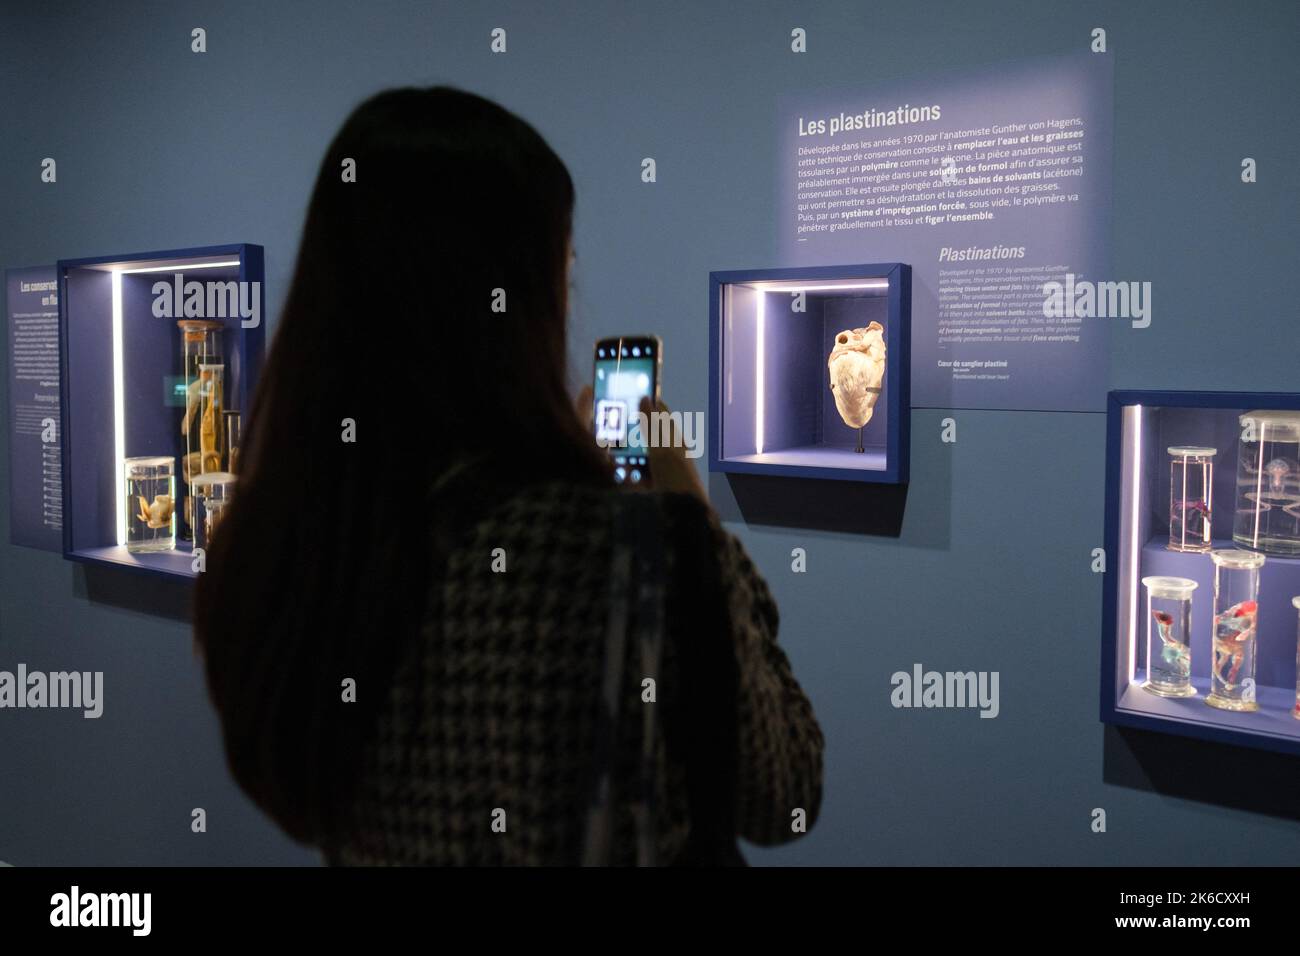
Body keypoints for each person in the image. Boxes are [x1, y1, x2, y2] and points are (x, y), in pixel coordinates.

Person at [193, 86, 823, 865]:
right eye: (562, 266)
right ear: (518, 300)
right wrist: (685, 515)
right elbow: (786, 792)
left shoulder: (263, 547)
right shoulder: (618, 553)